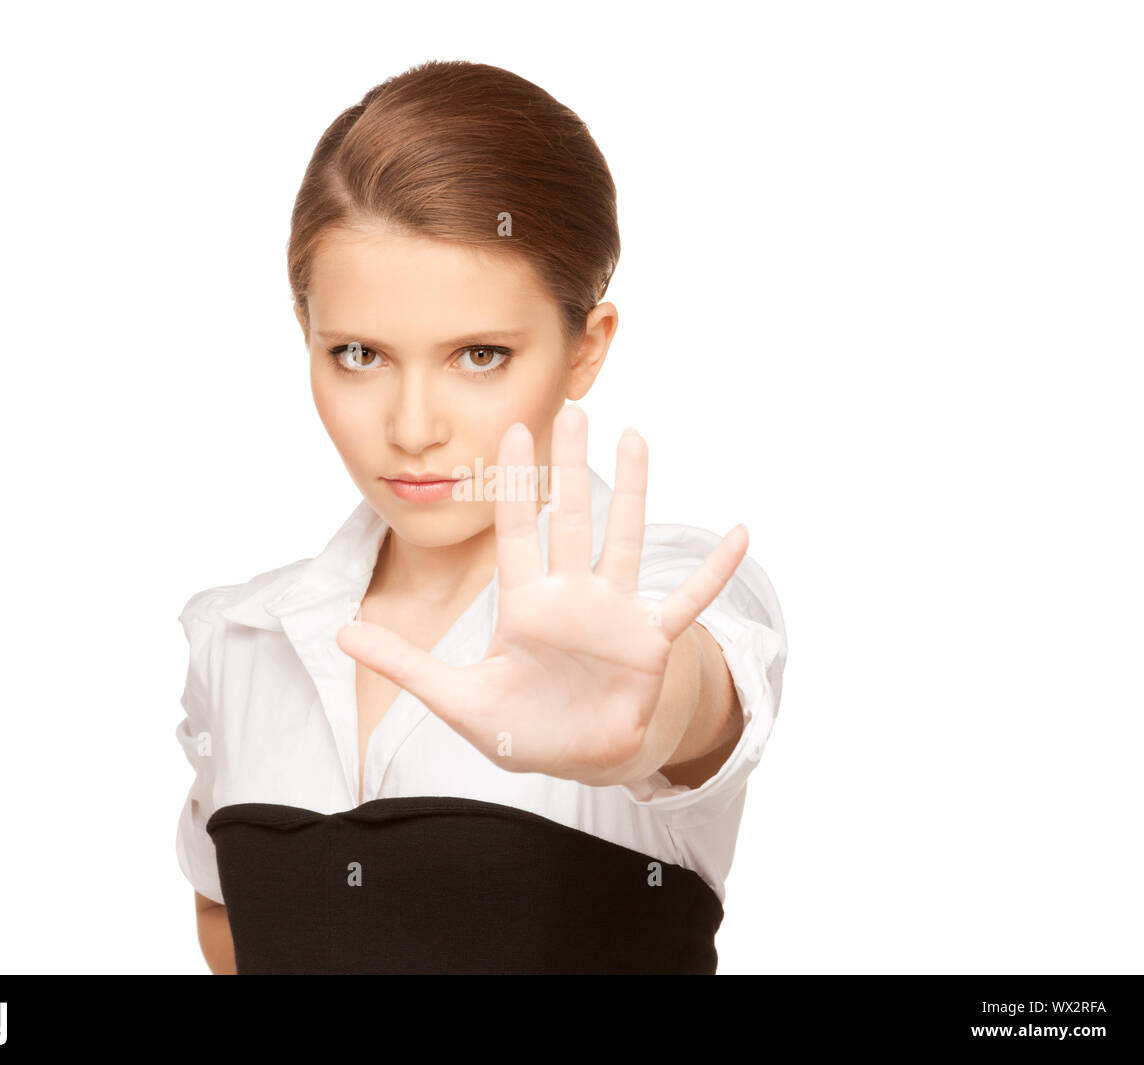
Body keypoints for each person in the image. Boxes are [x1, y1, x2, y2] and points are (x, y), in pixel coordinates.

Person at [174, 59, 787, 974]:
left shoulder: (666, 597)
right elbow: (228, 925)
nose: (412, 428)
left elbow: (693, 709)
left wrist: (655, 710)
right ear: (304, 330)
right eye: (358, 353)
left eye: (478, 355)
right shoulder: (238, 639)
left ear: (588, 347)